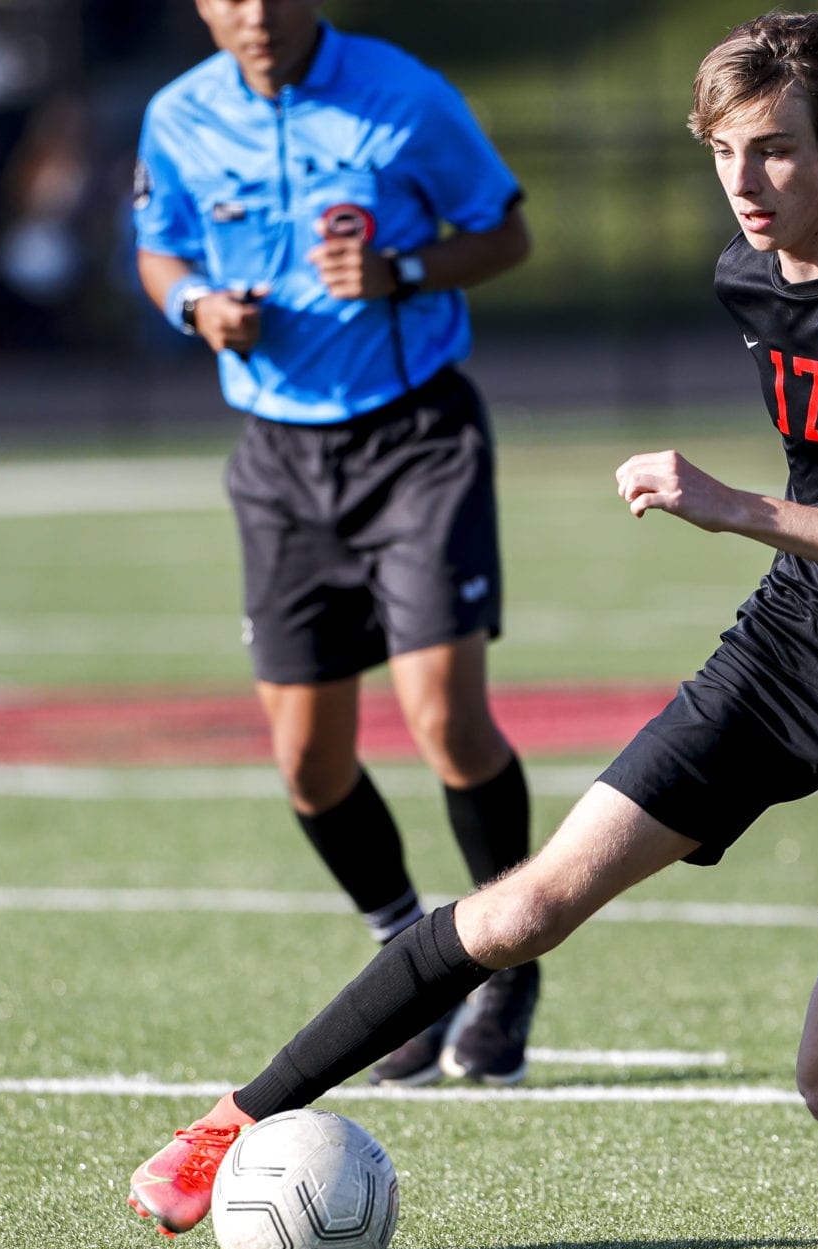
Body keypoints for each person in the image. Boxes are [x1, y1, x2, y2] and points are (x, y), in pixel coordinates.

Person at [126, 10, 818, 1249]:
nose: (746, 182)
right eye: (724, 152)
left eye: (775, 150)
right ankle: (229, 1120)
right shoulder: (747, 274)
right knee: (528, 904)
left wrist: (732, 506)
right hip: (792, 649)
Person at [129, 0, 541, 1091]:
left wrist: (402, 272)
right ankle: (409, 956)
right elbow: (160, 252)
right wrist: (198, 308)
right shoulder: (176, 116)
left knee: (446, 718)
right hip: (279, 461)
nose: (254, 14)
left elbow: (507, 233)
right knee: (307, 761)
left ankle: (507, 960)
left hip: (417, 442)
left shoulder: (404, 96)